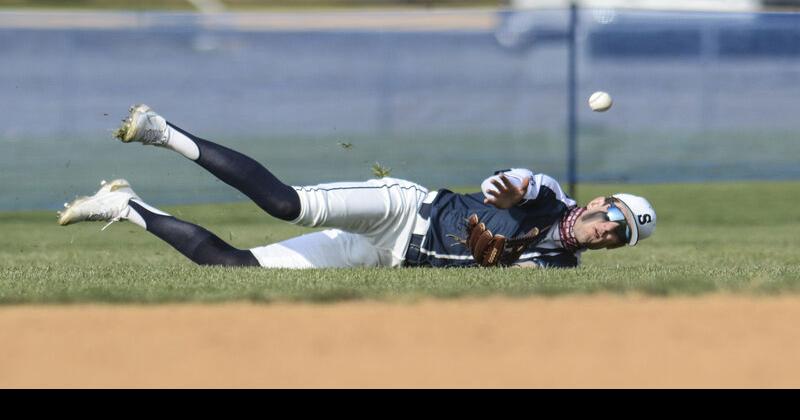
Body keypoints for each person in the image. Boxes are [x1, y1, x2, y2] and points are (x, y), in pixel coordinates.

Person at [58, 104, 657, 269]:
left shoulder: (558, 267)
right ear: (602, 202)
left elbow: (517, 284)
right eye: (615, 220)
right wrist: (506, 194)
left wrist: (501, 265)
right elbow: (516, 183)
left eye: (617, 239)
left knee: (235, 267)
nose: (606, 233)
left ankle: (124, 204)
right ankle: (163, 132)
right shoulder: (551, 196)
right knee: (285, 205)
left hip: (387, 258)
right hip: (405, 210)